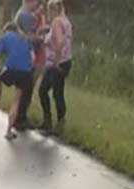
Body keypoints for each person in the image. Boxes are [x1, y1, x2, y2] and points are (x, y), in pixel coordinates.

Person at [0, 22, 34, 140]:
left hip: (11, 70)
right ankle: (8, 131)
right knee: (16, 101)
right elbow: (33, 58)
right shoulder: (26, 39)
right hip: (25, 73)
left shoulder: (3, 38)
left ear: (6, 30)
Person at [39, 0, 73, 131]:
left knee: (43, 91)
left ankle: (49, 121)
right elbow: (64, 37)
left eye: (49, 10)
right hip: (66, 61)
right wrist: (48, 29)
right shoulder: (66, 22)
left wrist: (56, 61)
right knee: (58, 92)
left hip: (57, 63)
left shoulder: (56, 22)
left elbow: (59, 42)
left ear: (53, 10)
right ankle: (60, 121)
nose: (48, 13)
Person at [13, 0, 42, 129]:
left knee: (22, 88)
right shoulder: (26, 16)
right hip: (26, 56)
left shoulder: (21, 13)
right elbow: (29, 36)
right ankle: (20, 118)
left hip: (20, 54)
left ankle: (18, 116)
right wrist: (40, 38)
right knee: (27, 88)